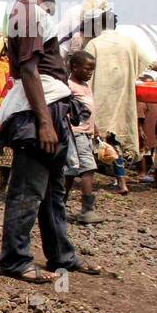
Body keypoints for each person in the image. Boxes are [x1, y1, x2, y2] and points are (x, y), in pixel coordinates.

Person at [0, 0, 101, 283]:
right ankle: (16, 260)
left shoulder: (36, 11)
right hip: (38, 109)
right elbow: (28, 70)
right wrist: (44, 122)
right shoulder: (26, 12)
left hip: (52, 106)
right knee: (28, 190)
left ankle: (62, 256)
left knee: (53, 190)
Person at [74, 0, 157, 165]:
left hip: (99, 99)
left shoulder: (93, 44)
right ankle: (119, 174)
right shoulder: (129, 42)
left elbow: (82, 75)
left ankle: (95, 168)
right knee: (120, 135)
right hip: (122, 99)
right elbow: (151, 63)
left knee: (97, 134)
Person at [64, 50, 102, 224]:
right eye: (87, 69)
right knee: (88, 167)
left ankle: (58, 205)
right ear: (74, 67)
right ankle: (87, 210)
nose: (90, 73)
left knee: (70, 171)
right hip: (75, 132)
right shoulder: (69, 85)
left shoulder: (85, 86)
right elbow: (66, 109)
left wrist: (94, 126)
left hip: (85, 133)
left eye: (92, 70)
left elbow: (87, 109)